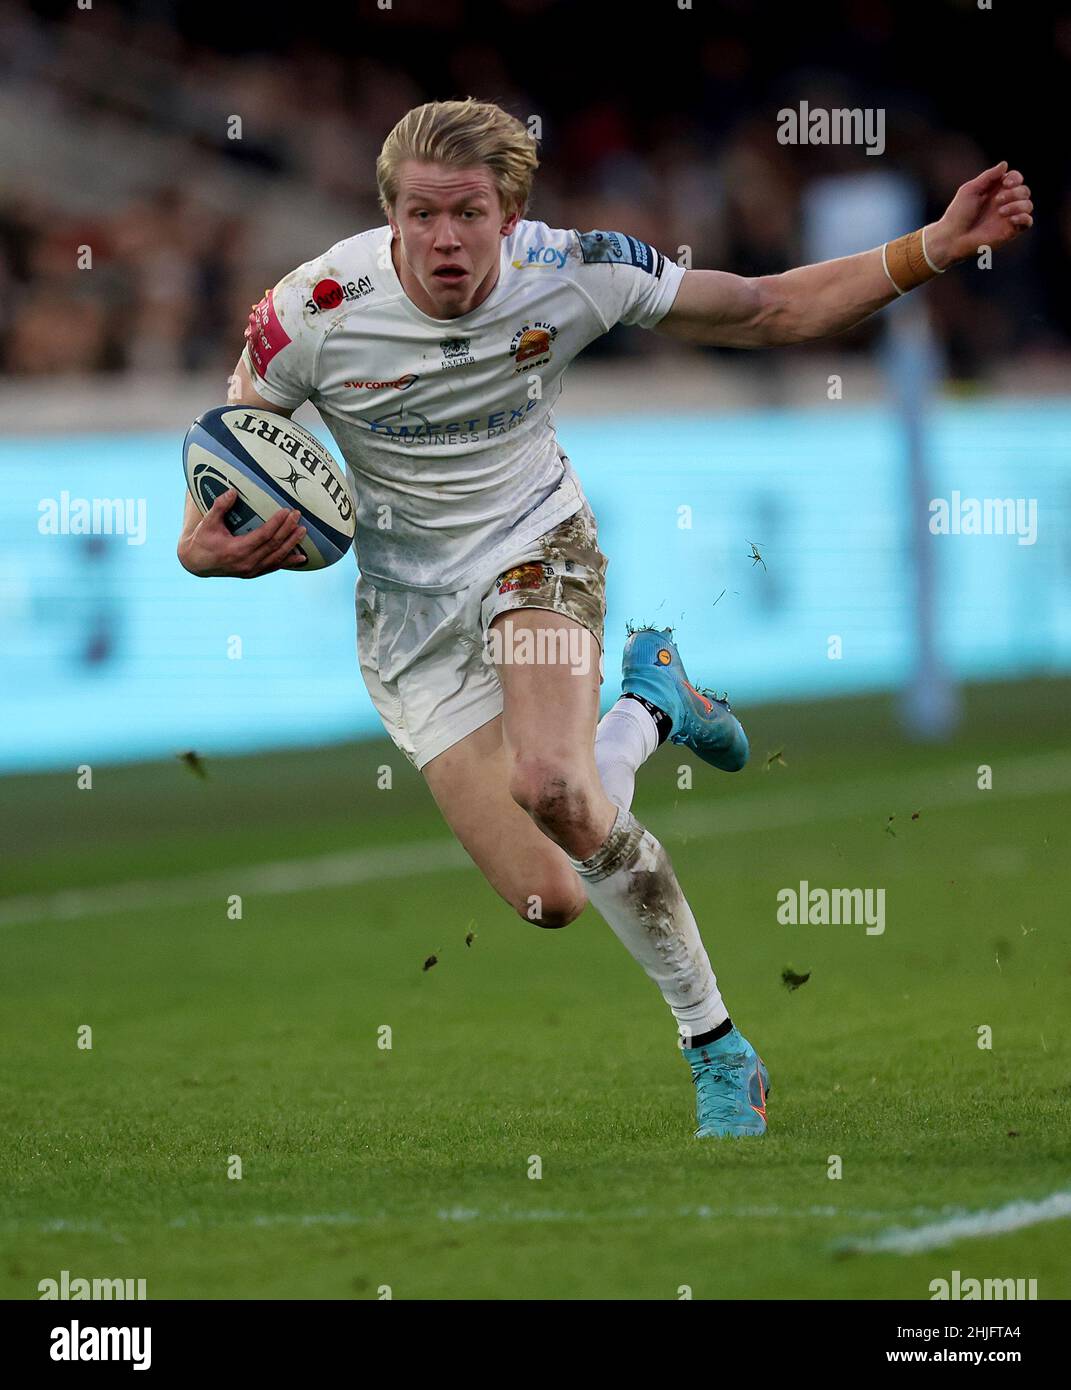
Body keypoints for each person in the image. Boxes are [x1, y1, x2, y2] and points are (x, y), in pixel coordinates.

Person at [178, 97, 1032, 1138]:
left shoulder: (575, 267)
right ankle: (650, 706)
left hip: (535, 549)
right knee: (554, 895)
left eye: (470, 212)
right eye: (418, 214)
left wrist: (933, 248)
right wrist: (199, 549)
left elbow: (764, 309)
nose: (444, 238)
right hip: (407, 618)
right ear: (388, 214)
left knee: (549, 781)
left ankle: (717, 1046)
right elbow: (233, 450)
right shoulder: (309, 308)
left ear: (512, 210)